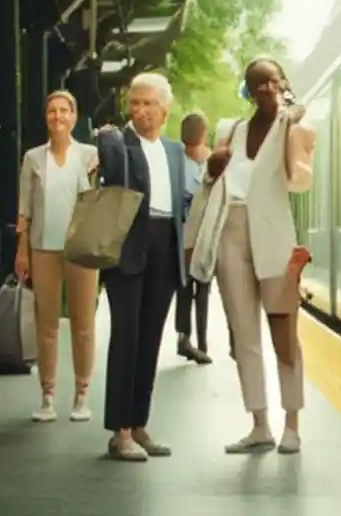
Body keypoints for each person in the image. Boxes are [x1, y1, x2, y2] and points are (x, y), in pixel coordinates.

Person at [187, 57, 316, 455]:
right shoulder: (231, 130)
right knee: (244, 334)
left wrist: (293, 117)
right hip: (231, 233)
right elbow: (213, 184)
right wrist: (211, 169)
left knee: (284, 336)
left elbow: (299, 179)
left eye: (271, 82)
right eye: (255, 83)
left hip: (275, 238)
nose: (264, 89)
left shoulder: (293, 127)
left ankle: (291, 424)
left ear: (282, 84)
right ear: (246, 88)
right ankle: (259, 423)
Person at [96, 72, 187, 462]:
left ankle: (139, 422)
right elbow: (112, 170)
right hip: (129, 247)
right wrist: (107, 137)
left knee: (151, 338)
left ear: (165, 109)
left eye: (148, 103)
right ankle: (120, 431)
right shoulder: (118, 142)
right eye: (134, 102)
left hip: (165, 245)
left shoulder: (175, 151)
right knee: (127, 337)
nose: (140, 110)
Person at [14, 90, 100, 423]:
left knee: (83, 323)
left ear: (75, 117)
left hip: (82, 247)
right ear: (45, 117)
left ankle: (82, 394)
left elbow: (98, 195)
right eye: (52, 111)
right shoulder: (33, 158)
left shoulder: (89, 154)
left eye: (64, 111)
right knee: (46, 322)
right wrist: (22, 249)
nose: (58, 117)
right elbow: (25, 207)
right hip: (43, 246)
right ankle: (47, 394)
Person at [174, 112, 212, 365]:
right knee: (195, 287)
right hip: (191, 233)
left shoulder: (210, 161)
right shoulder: (180, 161)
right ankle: (194, 340)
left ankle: (191, 339)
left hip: (198, 233)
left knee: (189, 287)